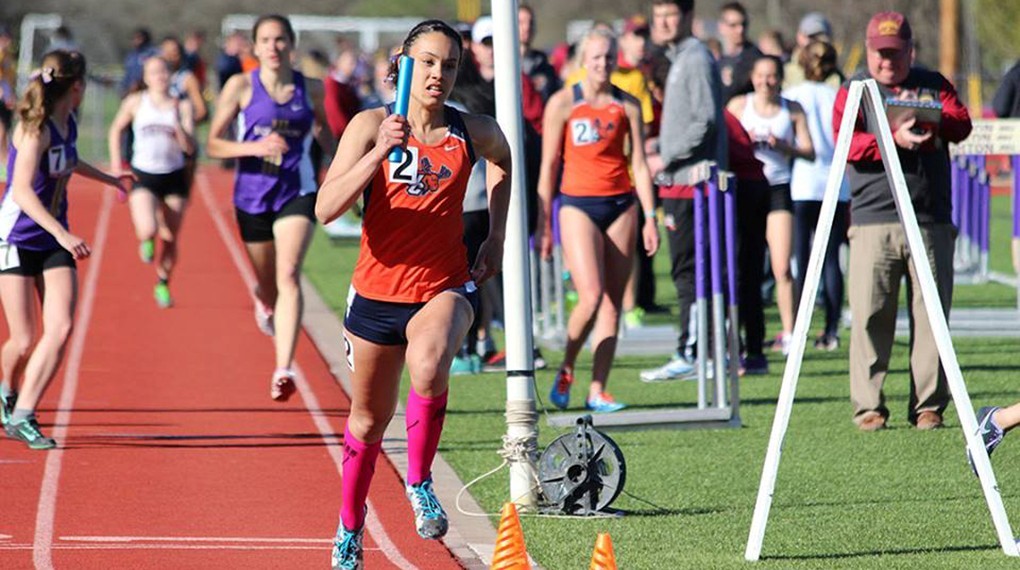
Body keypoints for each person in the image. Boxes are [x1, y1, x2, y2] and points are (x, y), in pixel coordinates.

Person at [314, 19, 511, 569]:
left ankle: (420, 481)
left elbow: (504, 160)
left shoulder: (471, 130)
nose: (438, 75)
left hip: (443, 284)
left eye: (449, 65)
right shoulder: (370, 123)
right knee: (368, 422)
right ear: (403, 63)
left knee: (429, 363)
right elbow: (326, 208)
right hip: (375, 295)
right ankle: (350, 527)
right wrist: (378, 152)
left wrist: (495, 234)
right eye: (428, 62)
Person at [833, 11, 972, 431]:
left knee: (931, 316)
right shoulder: (855, 90)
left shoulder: (933, 84)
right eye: (880, 53)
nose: (887, 62)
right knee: (871, 314)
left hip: (929, 217)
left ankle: (928, 405)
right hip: (874, 217)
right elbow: (845, 140)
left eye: (895, 53)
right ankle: (868, 406)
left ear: (911, 50)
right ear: (869, 50)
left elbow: (961, 123)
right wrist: (890, 137)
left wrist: (931, 120)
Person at [0, 50, 132, 449]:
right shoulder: (33, 127)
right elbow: (21, 190)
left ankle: (23, 414)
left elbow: (68, 161)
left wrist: (110, 179)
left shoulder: (67, 120)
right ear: (78, 86)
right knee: (23, 339)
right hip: (17, 238)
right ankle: (6, 391)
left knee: (61, 328)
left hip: (53, 239)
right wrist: (61, 233)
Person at [206, 14, 334, 401]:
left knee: (290, 273)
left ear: (290, 44)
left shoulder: (311, 88)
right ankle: (264, 298)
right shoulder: (240, 86)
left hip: (297, 190)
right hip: (251, 195)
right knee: (268, 283)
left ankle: (283, 367)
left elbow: (325, 131)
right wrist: (253, 147)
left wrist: (342, 163)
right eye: (266, 40)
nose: (274, 47)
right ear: (255, 47)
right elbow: (212, 145)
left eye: (280, 40)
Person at [539, 27, 659, 413]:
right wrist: (544, 222)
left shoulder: (628, 105)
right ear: (582, 61)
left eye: (609, 58)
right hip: (577, 204)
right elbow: (548, 166)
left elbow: (638, 163)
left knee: (612, 303)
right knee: (590, 296)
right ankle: (568, 366)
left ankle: (598, 389)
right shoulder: (562, 103)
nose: (602, 65)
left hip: (621, 203)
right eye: (595, 58)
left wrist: (650, 217)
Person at [639, 0, 726, 382]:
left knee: (691, 272)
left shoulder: (695, 58)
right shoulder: (679, 58)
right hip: (678, 182)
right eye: (658, 16)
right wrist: (660, 147)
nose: (663, 22)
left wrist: (666, 156)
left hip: (693, 185)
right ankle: (699, 350)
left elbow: (705, 120)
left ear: (689, 18)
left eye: (671, 15)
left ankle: (692, 351)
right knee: (687, 272)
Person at [728, 55, 814, 356]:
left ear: (780, 78)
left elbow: (810, 151)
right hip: (745, 188)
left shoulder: (792, 110)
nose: (766, 82)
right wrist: (744, 142)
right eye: (761, 76)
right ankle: (733, 334)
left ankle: (790, 334)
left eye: (772, 76)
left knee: (781, 266)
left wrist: (784, 146)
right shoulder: (739, 106)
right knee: (741, 265)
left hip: (777, 188)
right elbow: (722, 142)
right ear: (752, 77)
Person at [107, 56, 195, 308]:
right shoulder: (136, 102)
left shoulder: (182, 105)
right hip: (143, 174)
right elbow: (116, 130)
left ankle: (163, 282)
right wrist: (116, 166)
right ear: (146, 77)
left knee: (170, 237)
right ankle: (147, 238)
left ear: (170, 74)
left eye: (164, 71)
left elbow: (189, 148)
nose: (160, 76)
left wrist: (178, 124)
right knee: (148, 228)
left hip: (174, 176)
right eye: (154, 72)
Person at [784, 40, 847, 351]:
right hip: (835, 185)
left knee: (802, 258)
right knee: (832, 259)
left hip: (803, 184)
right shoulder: (839, 96)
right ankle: (831, 329)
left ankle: (798, 327)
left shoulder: (794, 96)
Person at [717, 2, 763, 102]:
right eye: (733, 25)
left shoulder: (755, 59)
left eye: (743, 24)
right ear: (721, 27)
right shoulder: (718, 58)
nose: (740, 30)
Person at [784, 12, 839, 89]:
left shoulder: (834, 73)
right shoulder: (786, 70)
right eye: (812, 37)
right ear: (799, 37)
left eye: (821, 37)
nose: (816, 42)